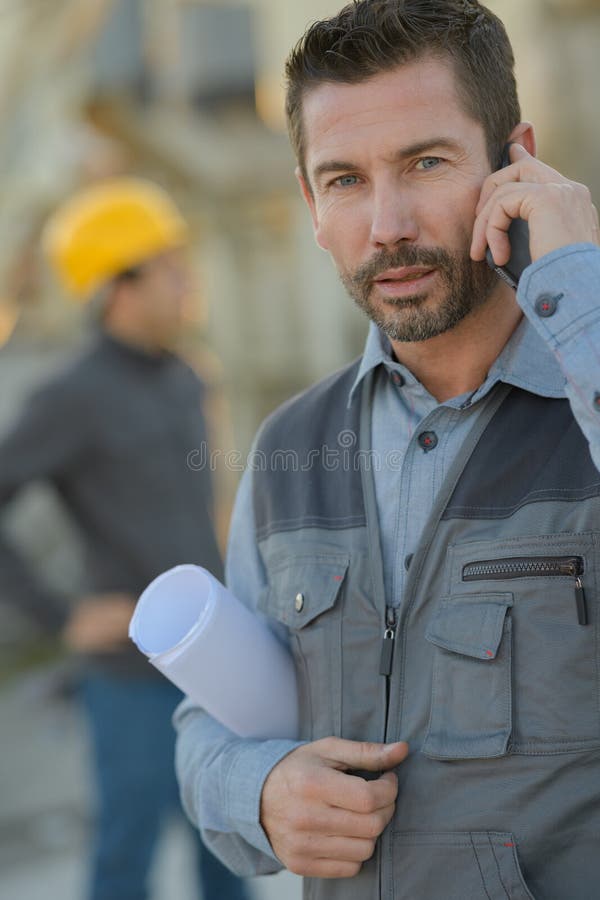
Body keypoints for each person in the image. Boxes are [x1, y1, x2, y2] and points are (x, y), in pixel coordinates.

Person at [174, 1, 600, 898]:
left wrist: (577, 288)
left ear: (516, 161)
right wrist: (257, 790)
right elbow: (204, 727)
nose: (388, 225)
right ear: (309, 203)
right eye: (345, 180)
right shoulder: (290, 444)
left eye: (426, 163)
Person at [0, 179, 252, 900]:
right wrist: (61, 616)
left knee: (231, 852)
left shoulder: (186, 378)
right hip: (130, 680)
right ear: (117, 288)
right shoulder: (71, 396)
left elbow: (210, 509)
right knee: (124, 862)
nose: (188, 284)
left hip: (216, 669)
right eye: (170, 268)